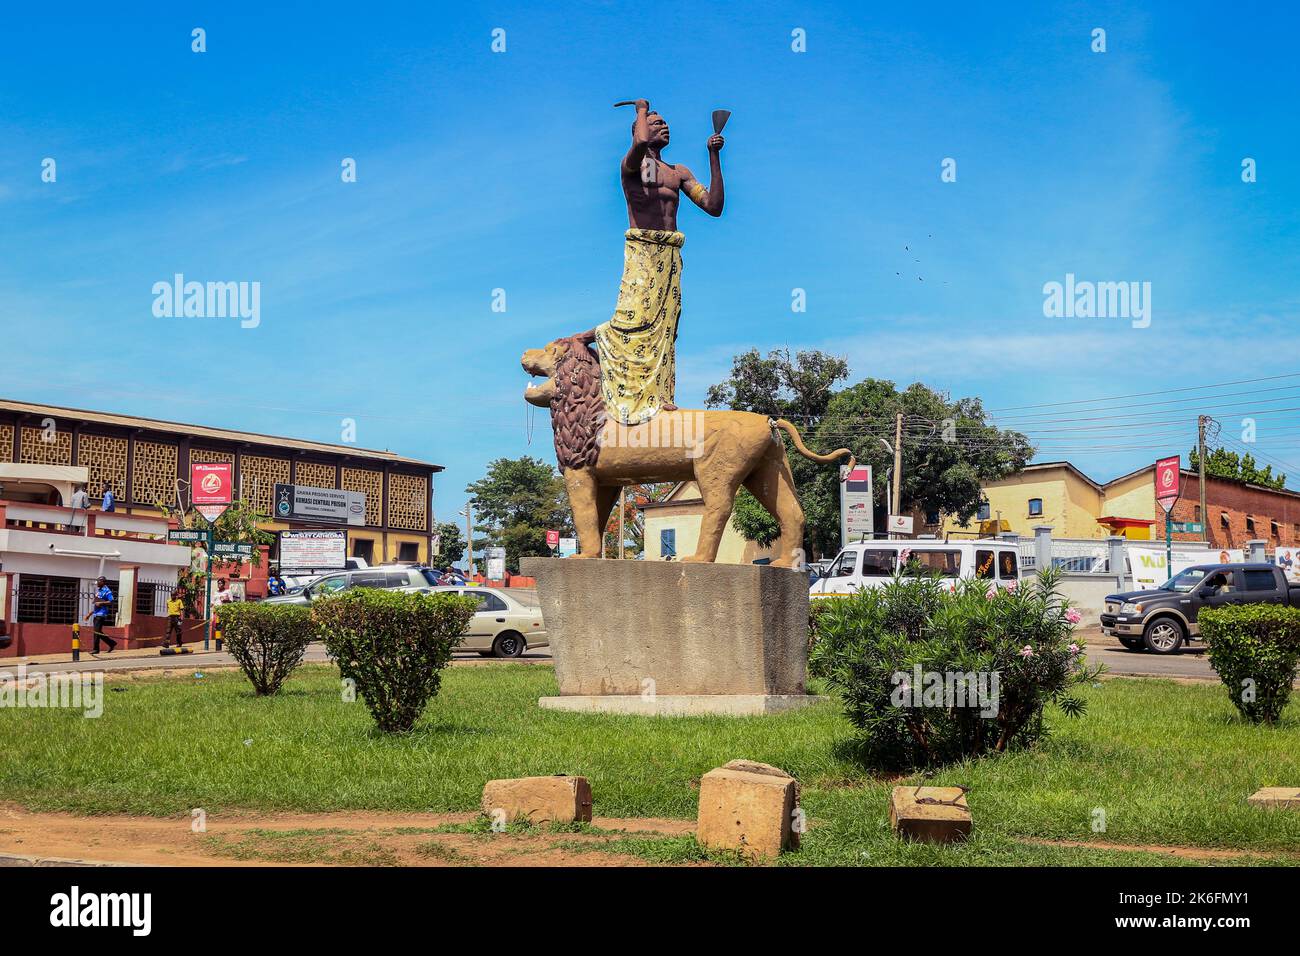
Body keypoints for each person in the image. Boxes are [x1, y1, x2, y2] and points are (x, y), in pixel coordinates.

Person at [589, 99, 726, 426]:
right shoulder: (632, 167)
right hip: (642, 252)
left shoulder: (679, 173)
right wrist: (640, 109)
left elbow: (714, 206)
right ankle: (599, 354)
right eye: (656, 123)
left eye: (665, 122)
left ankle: (661, 395)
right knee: (635, 317)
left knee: (666, 326)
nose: (664, 126)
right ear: (639, 129)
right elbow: (638, 144)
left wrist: (714, 156)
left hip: (670, 255)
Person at [87, 576, 116, 654]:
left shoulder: (107, 591)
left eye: (98, 582)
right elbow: (96, 602)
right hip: (96, 613)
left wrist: (101, 603)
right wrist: (91, 612)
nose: (97, 583)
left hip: (102, 614)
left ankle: (96, 649)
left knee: (96, 632)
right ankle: (111, 643)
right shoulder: (99, 591)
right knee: (98, 631)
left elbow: (111, 601)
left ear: (102, 582)